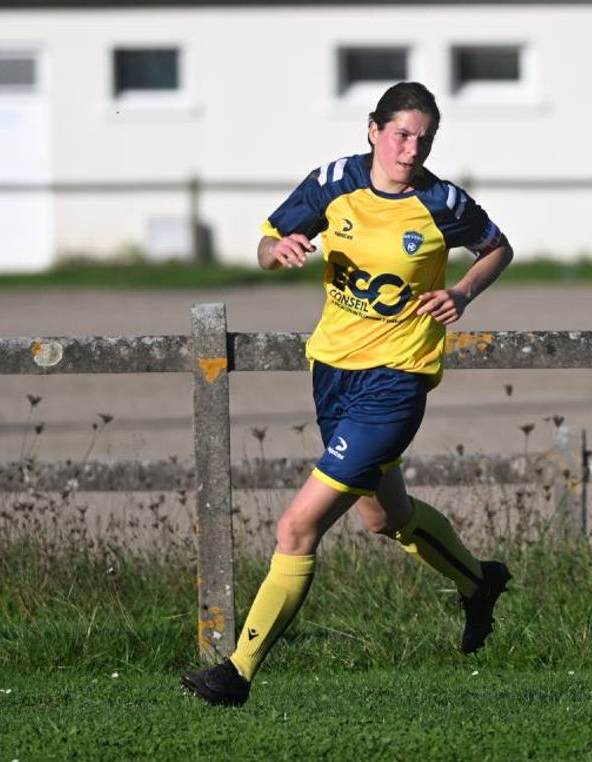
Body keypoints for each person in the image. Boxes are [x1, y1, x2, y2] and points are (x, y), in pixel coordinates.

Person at [182, 82, 515, 707]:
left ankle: (237, 673)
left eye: (424, 138)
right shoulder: (332, 182)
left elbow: (498, 247)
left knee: (297, 526)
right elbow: (264, 244)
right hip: (333, 372)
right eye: (401, 135)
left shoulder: (443, 202)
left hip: (397, 381)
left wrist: (465, 291)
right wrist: (276, 250)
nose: (411, 149)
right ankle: (480, 582)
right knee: (385, 517)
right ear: (372, 130)